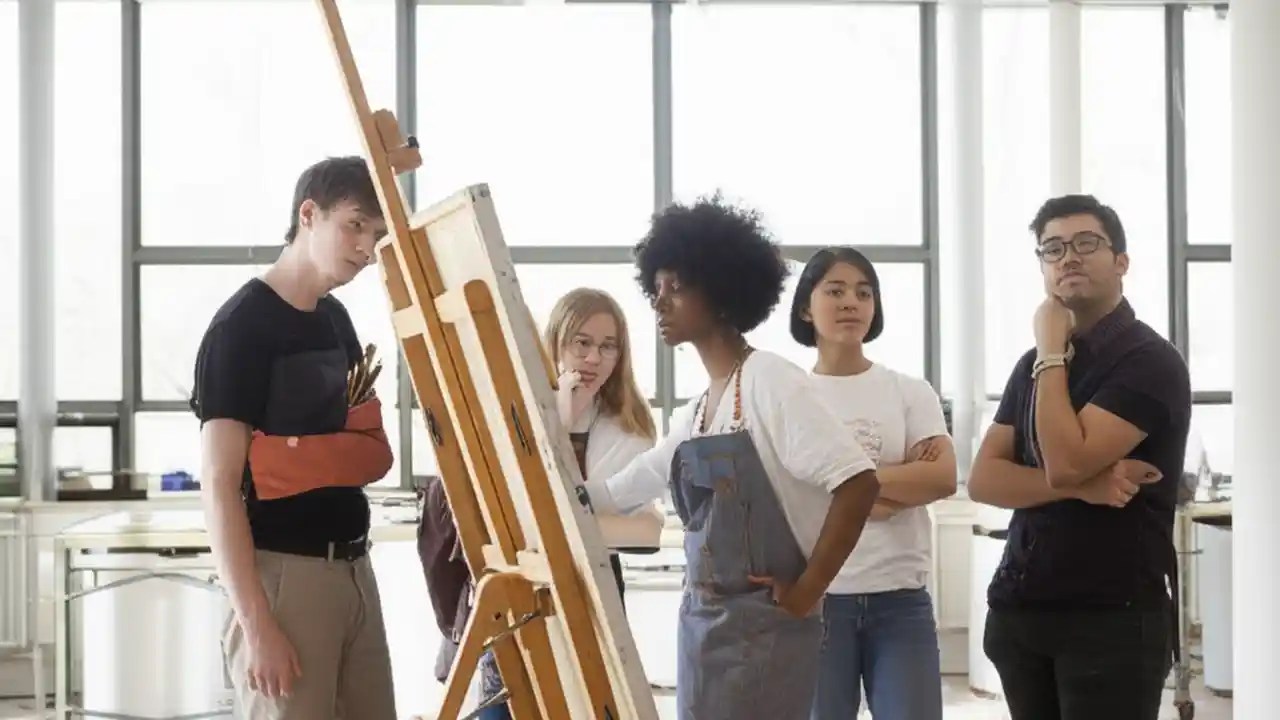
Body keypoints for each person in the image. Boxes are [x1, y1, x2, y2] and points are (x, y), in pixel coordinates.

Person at [582, 194, 882, 720]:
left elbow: (858, 483)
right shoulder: (700, 409)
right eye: (656, 289)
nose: (660, 302)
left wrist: (808, 591)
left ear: (720, 291)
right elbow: (636, 481)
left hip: (767, 632)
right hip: (704, 625)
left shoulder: (769, 379)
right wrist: (564, 490)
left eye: (676, 287)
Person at [968, 194, 1191, 720]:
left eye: (1086, 243)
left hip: (1112, 616)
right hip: (1021, 610)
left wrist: (1050, 352)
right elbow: (983, 480)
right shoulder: (1030, 366)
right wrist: (1081, 485)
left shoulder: (1148, 361)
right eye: (1052, 248)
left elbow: (1064, 460)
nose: (1068, 257)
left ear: (1121, 262)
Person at [191, 156, 398, 719]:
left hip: (356, 571)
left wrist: (286, 459)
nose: (365, 247)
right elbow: (219, 486)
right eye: (355, 225)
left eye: (376, 235)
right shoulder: (240, 329)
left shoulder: (337, 322)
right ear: (309, 214)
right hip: (282, 579)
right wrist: (258, 625)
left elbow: (374, 453)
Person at [467, 287, 662, 720]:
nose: (594, 358)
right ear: (556, 342)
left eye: (608, 346)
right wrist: (561, 419)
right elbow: (513, 505)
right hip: (522, 580)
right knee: (505, 706)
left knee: (593, 702)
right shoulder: (518, 407)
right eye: (582, 342)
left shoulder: (630, 425)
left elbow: (640, 526)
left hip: (593, 580)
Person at [790, 246, 956, 720]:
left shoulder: (908, 390)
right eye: (835, 291)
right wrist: (897, 483)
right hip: (820, 600)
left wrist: (846, 486)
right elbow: (792, 497)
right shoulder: (792, 397)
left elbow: (942, 477)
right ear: (806, 306)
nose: (851, 303)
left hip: (901, 600)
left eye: (864, 293)